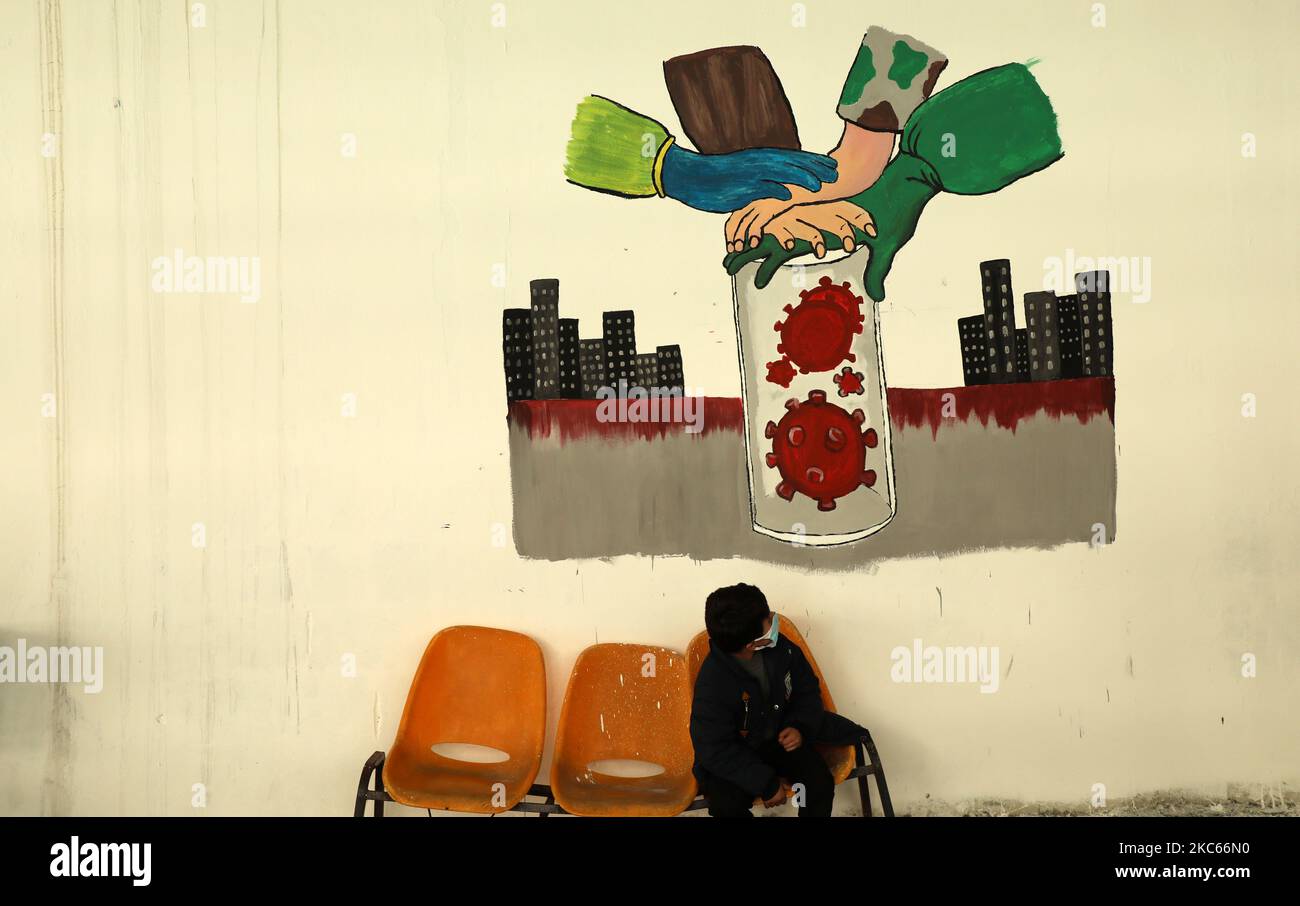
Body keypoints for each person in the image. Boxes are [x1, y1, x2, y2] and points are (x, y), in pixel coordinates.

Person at [689, 583, 835, 817]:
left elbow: (807, 691)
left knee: (817, 782)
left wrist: (799, 727)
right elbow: (714, 748)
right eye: (769, 620)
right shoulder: (713, 682)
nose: (775, 621)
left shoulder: (783, 649)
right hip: (737, 758)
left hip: (780, 744)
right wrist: (766, 784)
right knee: (726, 805)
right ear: (751, 644)